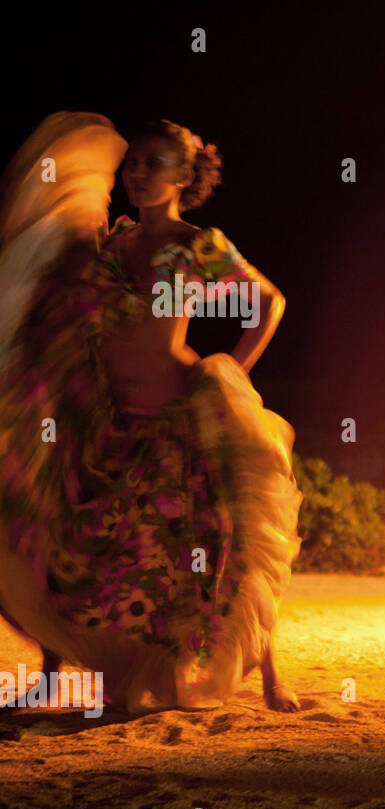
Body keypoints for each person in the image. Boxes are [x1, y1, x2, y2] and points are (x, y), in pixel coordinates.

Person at [0, 113, 302, 713]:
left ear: (184, 176)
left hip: (178, 416)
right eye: (133, 162)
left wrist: (234, 370)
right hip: (108, 419)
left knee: (225, 545)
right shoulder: (110, 247)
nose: (138, 173)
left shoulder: (197, 247)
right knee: (72, 542)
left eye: (154, 164)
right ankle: (53, 666)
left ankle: (270, 668)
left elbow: (267, 302)